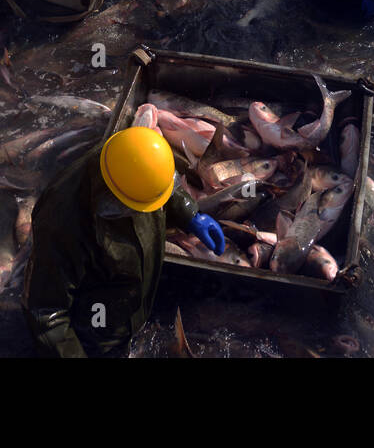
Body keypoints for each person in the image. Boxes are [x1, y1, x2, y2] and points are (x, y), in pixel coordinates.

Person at [22, 125, 225, 357]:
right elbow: (47, 312)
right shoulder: (61, 224)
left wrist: (189, 213)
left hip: (132, 298)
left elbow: (161, 185)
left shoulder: (128, 153)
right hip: (97, 323)